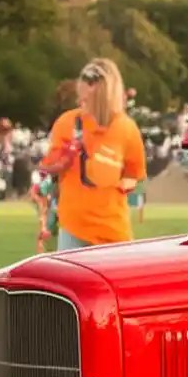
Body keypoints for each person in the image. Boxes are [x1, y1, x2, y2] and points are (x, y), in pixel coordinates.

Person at [40, 58, 147, 251]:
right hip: (74, 226)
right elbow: (48, 166)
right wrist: (67, 158)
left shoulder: (126, 128)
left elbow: (135, 174)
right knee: (71, 280)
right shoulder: (68, 122)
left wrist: (118, 182)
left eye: (86, 83)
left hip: (113, 228)